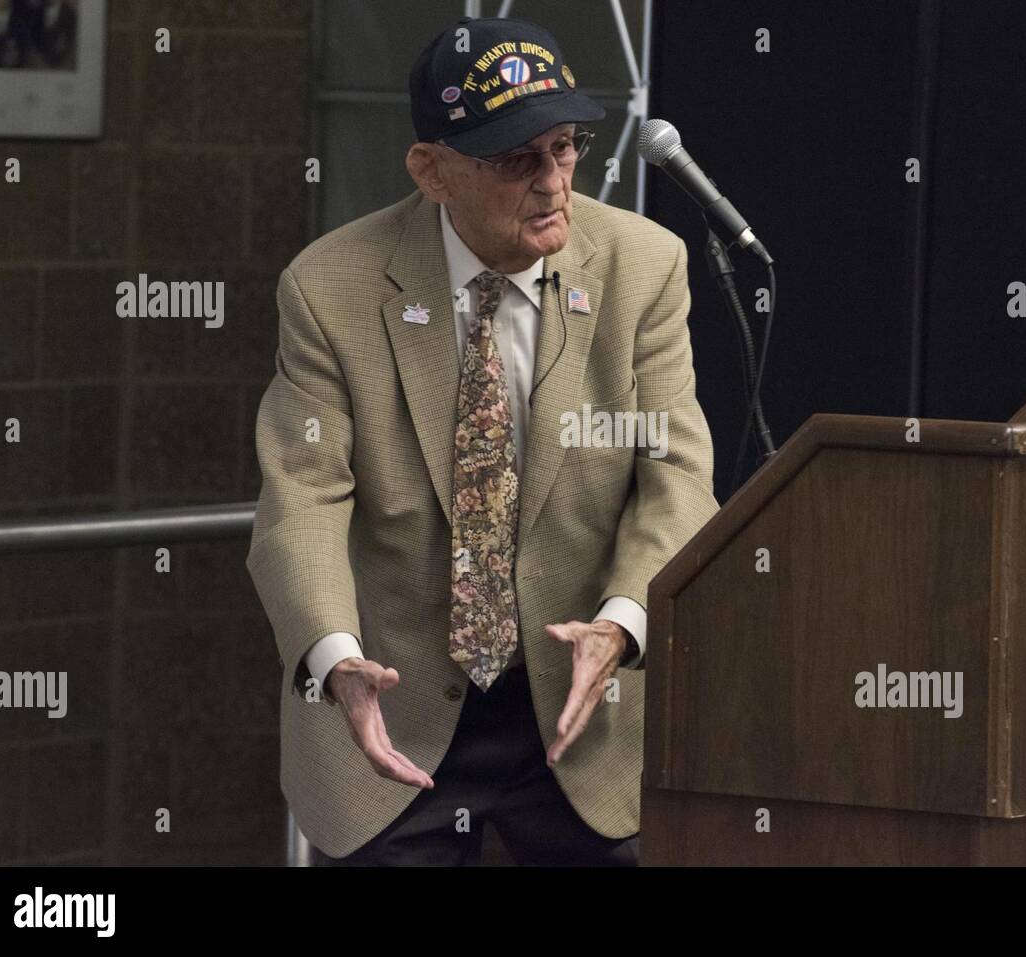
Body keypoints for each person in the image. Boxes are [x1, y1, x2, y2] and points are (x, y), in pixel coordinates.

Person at [247, 15, 718, 866]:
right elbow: (302, 497)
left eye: (565, 148)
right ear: (432, 171)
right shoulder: (328, 288)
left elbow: (677, 475)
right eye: (515, 160)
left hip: (583, 706)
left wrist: (622, 624)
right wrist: (335, 658)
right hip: (392, 720)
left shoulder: (644, 267)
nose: (553, 184)